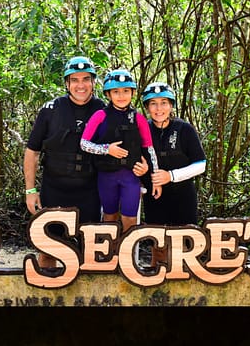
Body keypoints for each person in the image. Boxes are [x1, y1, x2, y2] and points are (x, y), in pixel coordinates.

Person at [24, 55, 105, 270]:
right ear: (67, 83)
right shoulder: (51, 110)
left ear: (93, 82)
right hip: (54, 190)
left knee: (92, 253)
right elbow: (32, 151)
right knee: (48, 250)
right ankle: (47, 287)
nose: (81, 85)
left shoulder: (103, 110)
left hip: (90, 193)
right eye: (75, 80)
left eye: (86, 79)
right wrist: (30, 190)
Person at [80, 68, 160, 235]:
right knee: (109, 217)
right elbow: (84, 143)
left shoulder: (138, 118)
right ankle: (109, 249)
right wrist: (106, 149)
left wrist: (155, 178)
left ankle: (128, 250)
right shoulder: (100, 115)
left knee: (130, 218)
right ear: (108, 94)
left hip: (131, 176)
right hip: (106, 176)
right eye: (116, 92)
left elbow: (149, 149)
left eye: (125, 91)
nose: (121, 96)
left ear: (132, 93)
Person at [139, 82, 207, 230]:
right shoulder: (142, 130)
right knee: (156, 239)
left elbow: (201, 164)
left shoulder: (184, 129)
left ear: (171, 105)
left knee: (186, 238)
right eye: (153, 103)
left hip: (183, 195)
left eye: (164, 103)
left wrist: (170, 176)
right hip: (154, 196)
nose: (159, 109)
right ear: (147, 107)